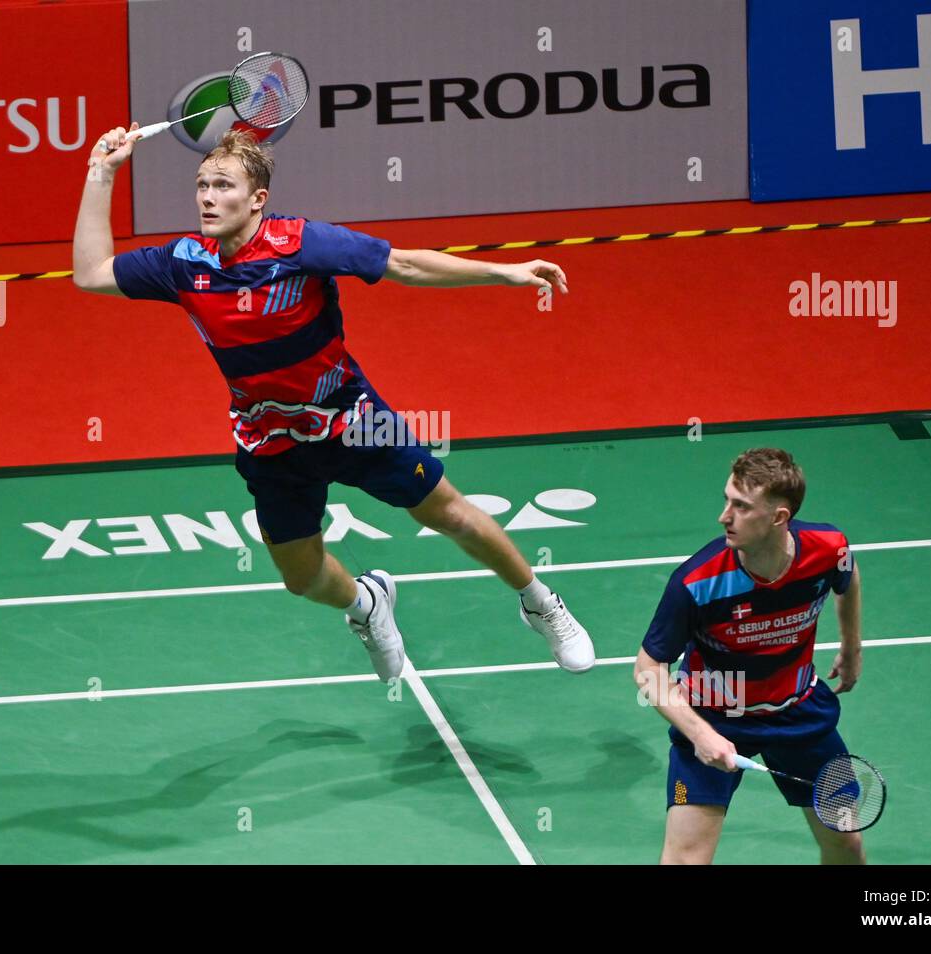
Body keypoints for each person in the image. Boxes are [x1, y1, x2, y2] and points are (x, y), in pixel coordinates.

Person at [72, 123, 595, 681]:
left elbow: (406, 264)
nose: (207, 196)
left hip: (349, 418)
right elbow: (91, 273)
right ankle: (368, 605)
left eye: (223, 185)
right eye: (202, 184)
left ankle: (542, 605)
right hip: (270, 440)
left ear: (257, 199)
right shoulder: (185, 263)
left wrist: (504, 271)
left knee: (448, 512)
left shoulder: (301, 243)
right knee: (301, 577)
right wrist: (101, 173)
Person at [633, 447, 866, 864]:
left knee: (846, 841)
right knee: (686, 859)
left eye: (741, 507)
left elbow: (847, 577)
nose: (724, 516)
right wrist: (701, 734)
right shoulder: (697, 582)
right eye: (727, 500)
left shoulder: (828, 547)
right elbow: (648, 670)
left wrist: (851, 648)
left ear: (779, 517)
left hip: (799, 715)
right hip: (714, 716)